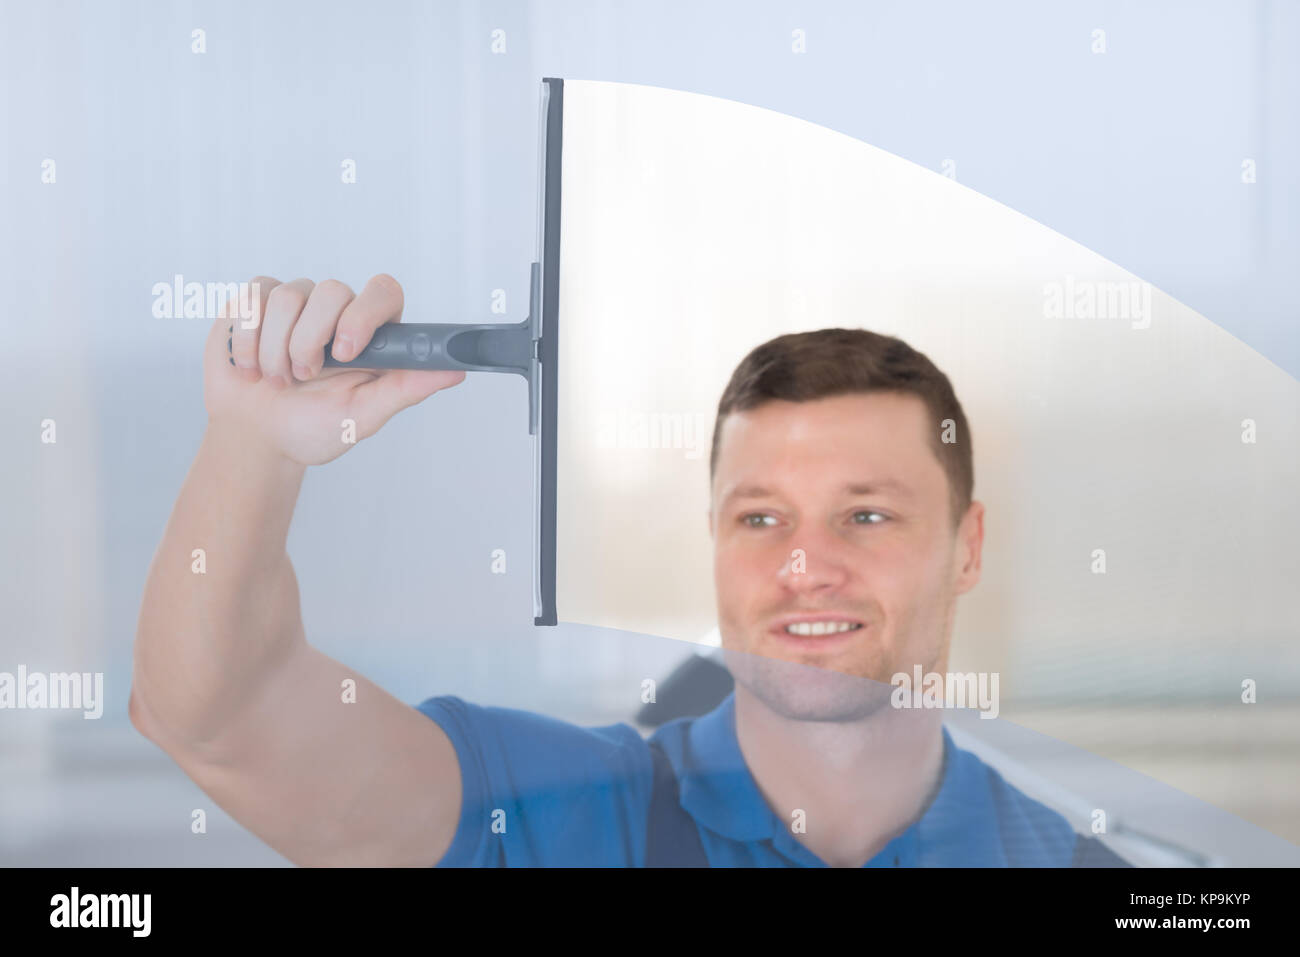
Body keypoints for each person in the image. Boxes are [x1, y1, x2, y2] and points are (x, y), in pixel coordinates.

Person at [130, 273, 1129, 867]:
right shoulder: (565, 816)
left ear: (968, 547)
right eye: (759, 516)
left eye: (865, 515)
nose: (803, 563)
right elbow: (218, 714)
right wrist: (252, 442)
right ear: (712, 538)